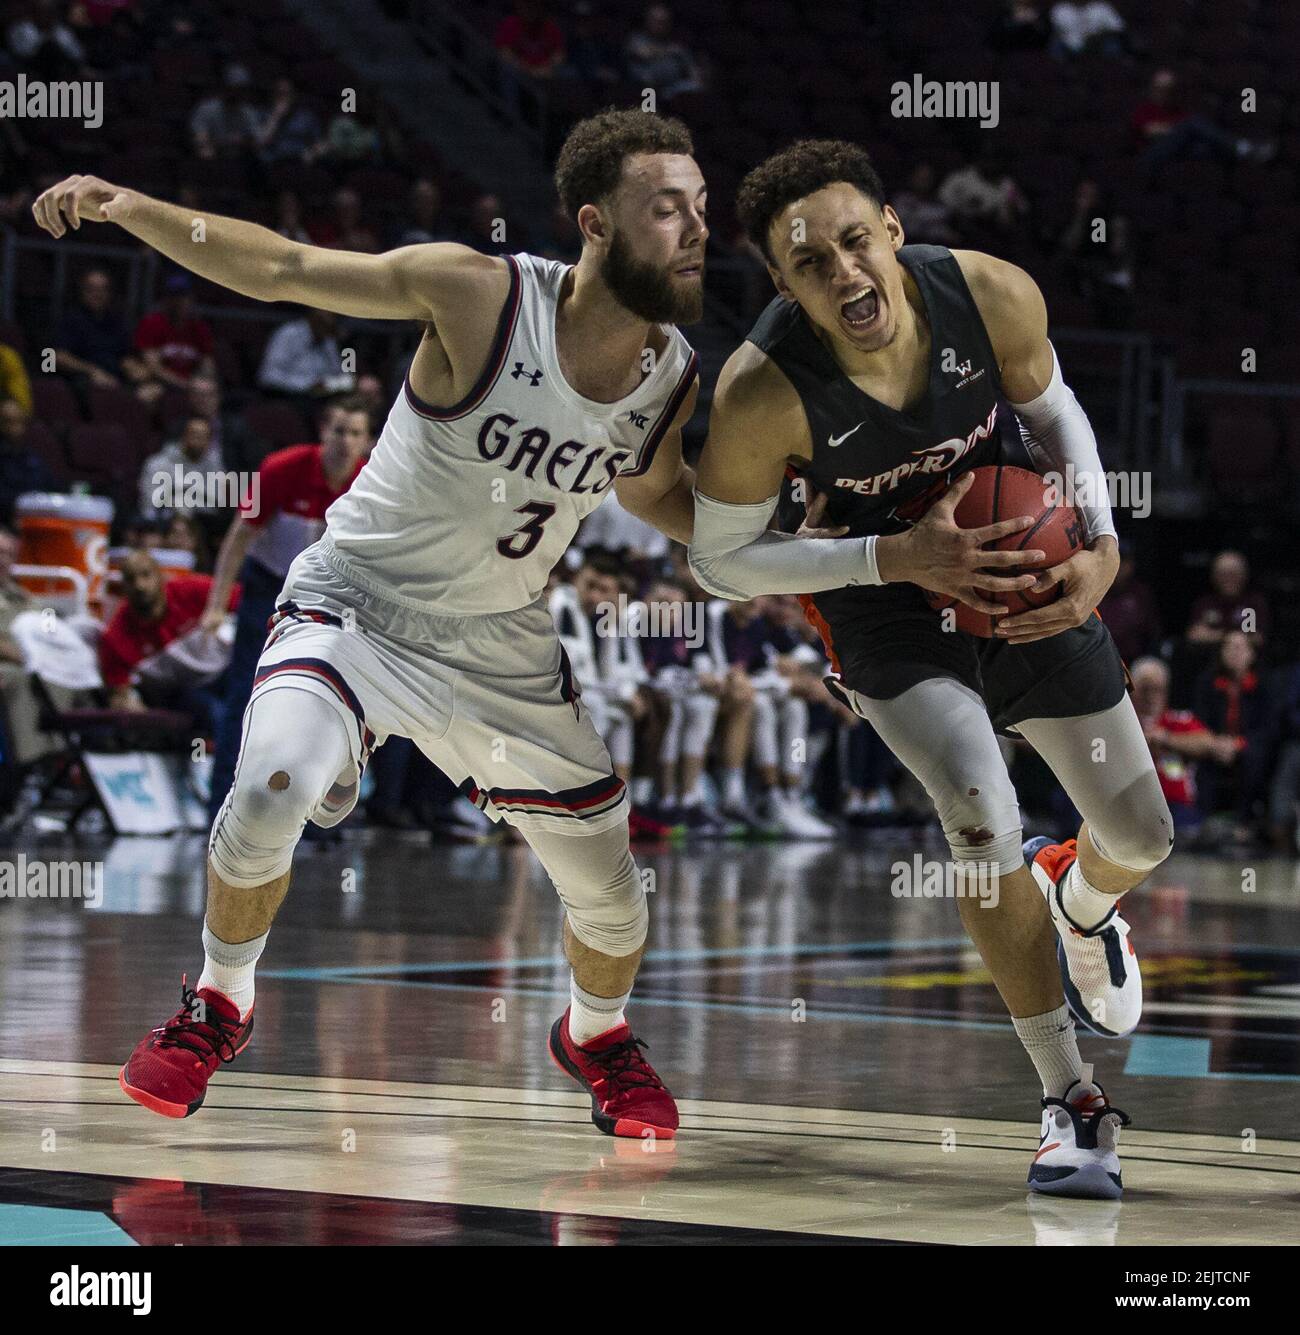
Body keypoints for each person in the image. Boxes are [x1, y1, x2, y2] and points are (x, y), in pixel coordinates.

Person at [34, 108, 709, 1140]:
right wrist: (133, 207)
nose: (696, 227)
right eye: (667, 209)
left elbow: (659, 492)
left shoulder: (672, 371)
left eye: (700, 207)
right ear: (597, 223)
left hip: (499, 646)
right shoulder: (479, 292)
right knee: (264, 796)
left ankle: (596, 1035)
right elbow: (284, 269)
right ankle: (220, 1002)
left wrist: (801, 544)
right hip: (356, 603)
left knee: (613, 894)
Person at [690, 139, 1175, 1198]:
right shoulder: (761, 390)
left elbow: (1055, 413)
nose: (842, 273)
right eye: (809, 263)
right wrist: (889, 555)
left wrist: (1098, 540)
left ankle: (1079, 898)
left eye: (854, 241)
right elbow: (716, 559)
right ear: (782, 282)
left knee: (1141, 833)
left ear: (893, 232)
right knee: (974, 811)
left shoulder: (988, 293)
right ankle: (1070, 1099)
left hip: (1012, 563)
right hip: (883, 604)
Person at [202, 396, 375, 822]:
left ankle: (307, 817)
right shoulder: (282, 469)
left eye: (355, 433)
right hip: (268, 588)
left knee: (323, 702)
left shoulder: (371, 481)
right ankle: (221, 807)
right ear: (322, 432)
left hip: (331, 599)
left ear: (366, 441)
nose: (345, 441)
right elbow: (239, 538)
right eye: (339, 431)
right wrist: (216, 604)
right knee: (247, 693)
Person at [97, 550, 240, 732]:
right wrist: (129, 705)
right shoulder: (115, 636)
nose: (140, 585)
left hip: (226, 670)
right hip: (184, 690)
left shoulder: (191, 589)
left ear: (159, 576)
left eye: (145, 575)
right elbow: (119, 692)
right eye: (131, 579)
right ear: (123, 586)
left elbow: (248, 603)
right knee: (215, 713)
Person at [132, 273, 216, 393]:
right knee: (147, 395)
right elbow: (153, 367)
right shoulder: (152, 323)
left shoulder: (199, 327)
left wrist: (204, 381)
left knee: (209, 391)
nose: (179, 302)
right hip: (160, 384)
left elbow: (207, 363)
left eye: (183, 296)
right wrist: (184, 384)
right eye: (175, 296)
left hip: (193, 385)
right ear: (166, 299)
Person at [0, 396, 58, 525]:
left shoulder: (30, 457)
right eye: (8, 421)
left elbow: (52, 487)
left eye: (19, 421)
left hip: (38, 519)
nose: (15, 428)